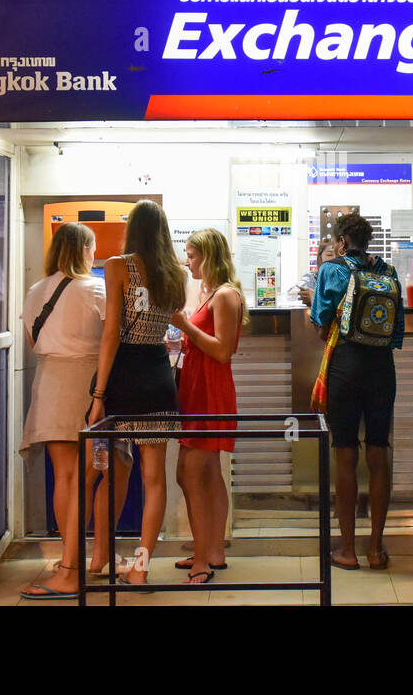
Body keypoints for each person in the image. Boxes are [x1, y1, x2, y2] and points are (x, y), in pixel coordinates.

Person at [18, 222, 130, 600]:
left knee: (65, 476)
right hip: (88, 386)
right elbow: (114, 336)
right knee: (94, 474)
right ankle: (84, 560)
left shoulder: (35, 291)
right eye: (92, 248)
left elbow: (33, 340)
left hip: (49, 383)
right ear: (85, 250)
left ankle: (72, 559)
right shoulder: (96, 289)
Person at [86, 200, 187, 586]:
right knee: (154, 478)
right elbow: (170, 321)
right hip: (158, 375)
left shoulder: (117, 266)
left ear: (133, 229)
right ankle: (141, 566)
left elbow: (112, 332)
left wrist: (98, 395)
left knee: (109, 469)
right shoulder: (176, 273)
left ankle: (97, 558)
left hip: (123, 376)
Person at [309, 213, 404, 570]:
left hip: (346, 366)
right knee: (379, 454)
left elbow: (321, 325)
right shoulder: (388, 273)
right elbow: (397, 333)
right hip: (382, 369)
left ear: (342, 242)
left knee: (345, 454)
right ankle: (376, 550)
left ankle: (347, 550)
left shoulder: (332, 270)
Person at [170, 228, 246, 584]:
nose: (188, 262)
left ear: (210, 256)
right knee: (210, 474)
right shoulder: (209, 294)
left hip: (211, 392)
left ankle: (202, 559)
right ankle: (213, 549)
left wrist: (185, 325)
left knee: (190, 473)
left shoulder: (226, 295)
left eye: (192, 255)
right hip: (197, 389)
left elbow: (222, 350)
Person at [292, 237, 340, 306]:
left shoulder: (344, 278)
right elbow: (293, 293)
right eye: (330, 254)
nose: (334, 258)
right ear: (320, 257)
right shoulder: (312, 277)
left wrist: (315, 296)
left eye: (338, 256)